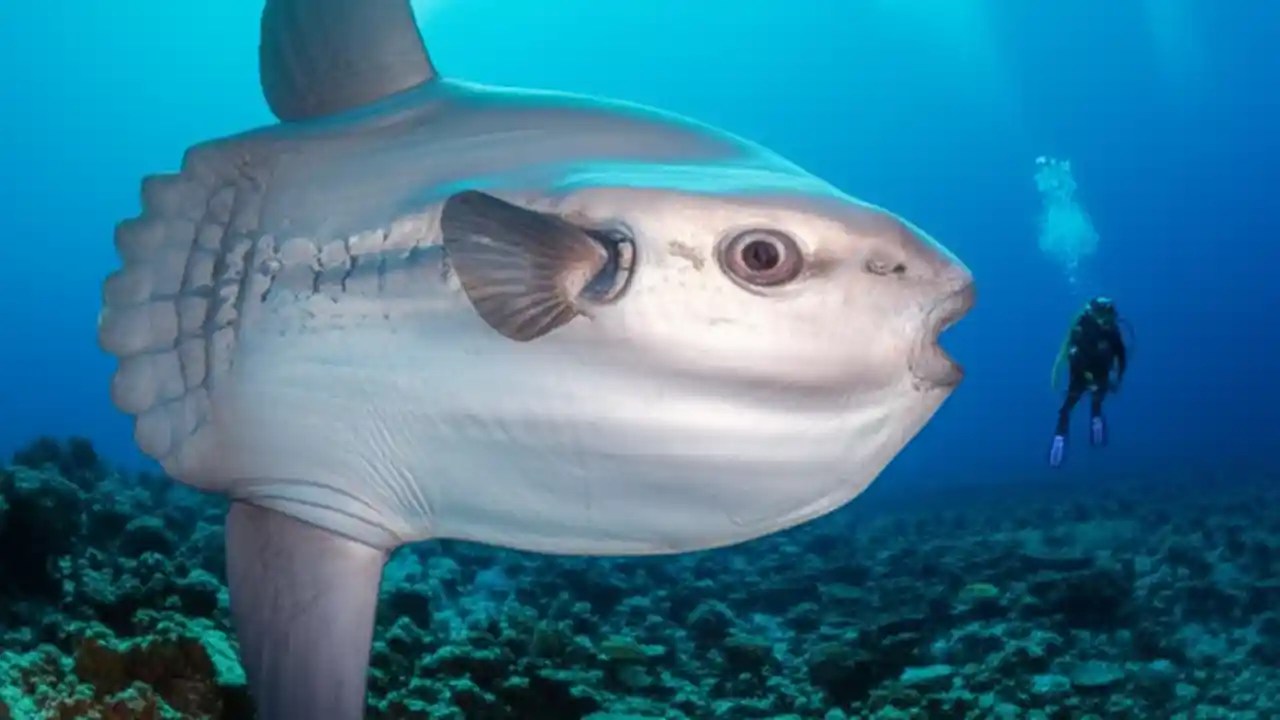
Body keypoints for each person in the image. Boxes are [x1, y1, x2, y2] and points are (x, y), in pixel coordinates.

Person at [1048, 295, 1127, 467]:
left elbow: (1121, 354)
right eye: (1102, 316)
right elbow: (1074, 358)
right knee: (1067, 407)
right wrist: (1089, 378)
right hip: (1081, 374)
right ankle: (1059, 438)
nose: (1105, 321)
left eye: (1108, 316)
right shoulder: (1082, 328)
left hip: (1101, 372)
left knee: (1097, 400)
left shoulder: (1112, 331)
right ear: (1093, 314)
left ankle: (1095, 426)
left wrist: (1118, 376)